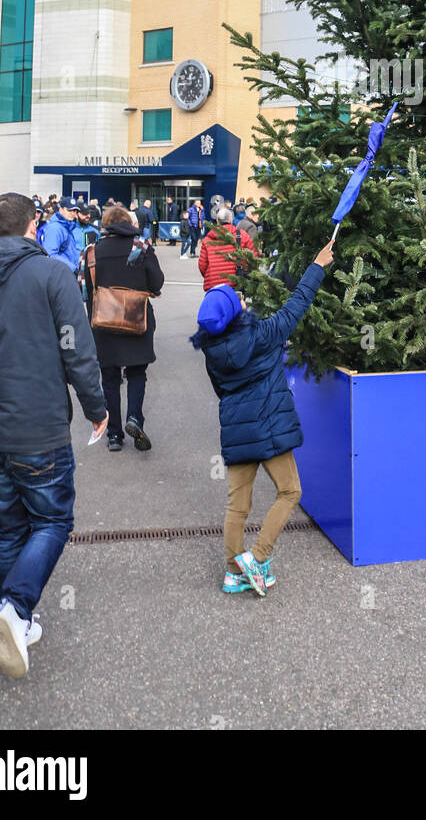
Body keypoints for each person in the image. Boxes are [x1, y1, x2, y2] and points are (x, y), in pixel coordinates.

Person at [0, 192, 107, 677]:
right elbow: (75, 349)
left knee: (11, 525)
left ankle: (15, 616)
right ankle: (15, 607)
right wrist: (97, 408)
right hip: (38, 427)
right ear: (32, 224)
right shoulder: (53, 273)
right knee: (54, 521)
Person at [190, 240, 335, 597]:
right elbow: (297, 305)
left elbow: (221, 392)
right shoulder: (265, 335)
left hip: (237, 431)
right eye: (235, 298)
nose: (240, 297)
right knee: (290, 491)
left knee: (237, 503)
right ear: (234, 313)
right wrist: (317, 264)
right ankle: (258, 557)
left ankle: (232, 572)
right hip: (270, 426)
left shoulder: (212, 352)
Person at [81, 206, 163, 452]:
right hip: (137, 319)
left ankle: (114, 434)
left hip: (104, 322)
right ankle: (134, 417)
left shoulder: (93, 251)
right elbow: (157, 282)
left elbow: (87, 290)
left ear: (105, 224)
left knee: (109, 378)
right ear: (129, 223)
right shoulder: (143, 248)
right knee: (137, 373)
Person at [198, 207, 257, 290]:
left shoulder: (207, 240)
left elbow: (202, 265)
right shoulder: (242, 235)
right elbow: (253, 258)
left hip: (213, 284)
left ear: (217, 221)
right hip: (236, 283)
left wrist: (211, 275)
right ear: (231, 220)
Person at [40, 196, 81, 272]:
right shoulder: (55, 228)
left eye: (75, 210)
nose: (72, 213)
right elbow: (50, 254)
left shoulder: (67, 226)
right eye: (69, 210)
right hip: (60, 274)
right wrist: (72, 269)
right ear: (61, 210)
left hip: (66, 272)